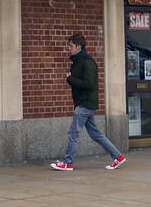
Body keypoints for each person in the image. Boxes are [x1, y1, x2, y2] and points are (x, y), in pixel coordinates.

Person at [52, 33, 126, 172]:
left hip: (85, 104)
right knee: (95, 134)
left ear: (79, 47)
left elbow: (88, 83)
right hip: (85, 103)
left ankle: (68, 163)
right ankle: (118, 157)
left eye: (71, 46)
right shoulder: (79, 61)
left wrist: (70, 79)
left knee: (73, 133)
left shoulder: (87, 62)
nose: (69, 49)